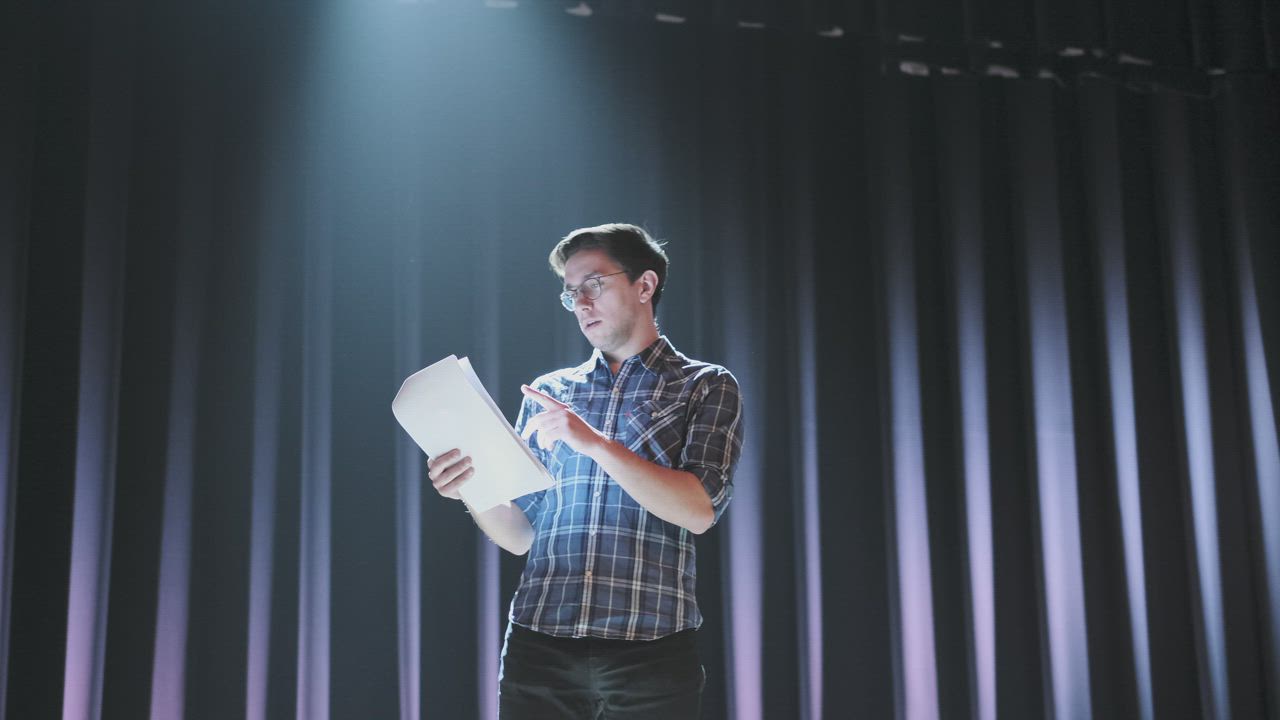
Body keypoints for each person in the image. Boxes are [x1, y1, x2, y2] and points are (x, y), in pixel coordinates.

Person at [426, 223, 744, 719]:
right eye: (571, 293)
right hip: (540, 642)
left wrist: (593, 442)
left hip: (651, 646)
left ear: (645, 285)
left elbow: (699, 510)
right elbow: (521, 534)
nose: (581, 302)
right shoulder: (550, 393)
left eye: (593, 284)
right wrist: (471, 488)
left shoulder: (704, 385)